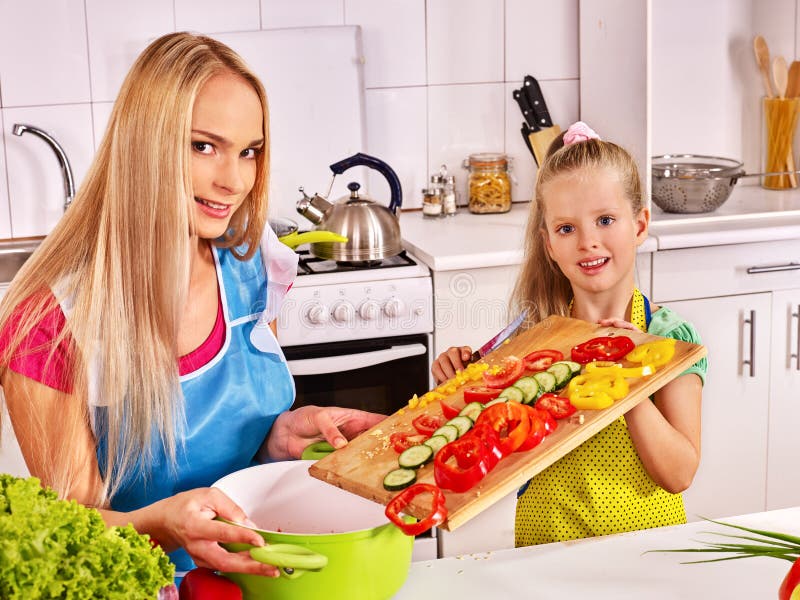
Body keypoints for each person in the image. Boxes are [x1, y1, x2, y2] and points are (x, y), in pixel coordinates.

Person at [0, 32, 383, 577]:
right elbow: (71, 529)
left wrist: (279, 437)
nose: (234, 180)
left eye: (248, 151)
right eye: (204, 146)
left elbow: (232, 452)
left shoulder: (252, 266)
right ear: (144, 145)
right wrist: (163, 522)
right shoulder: (54, 319)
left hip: (263, 576)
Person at [431, 121, 706, 547]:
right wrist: (459, 388)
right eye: (566, 229)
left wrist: (626, 377)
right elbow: (484, 458)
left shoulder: (667, 336)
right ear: (548, 245)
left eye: (605, 220)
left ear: (638, 225)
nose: (588, 242)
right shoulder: (533, 342)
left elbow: (679, 473)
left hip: (642, 556)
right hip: (543, 553)